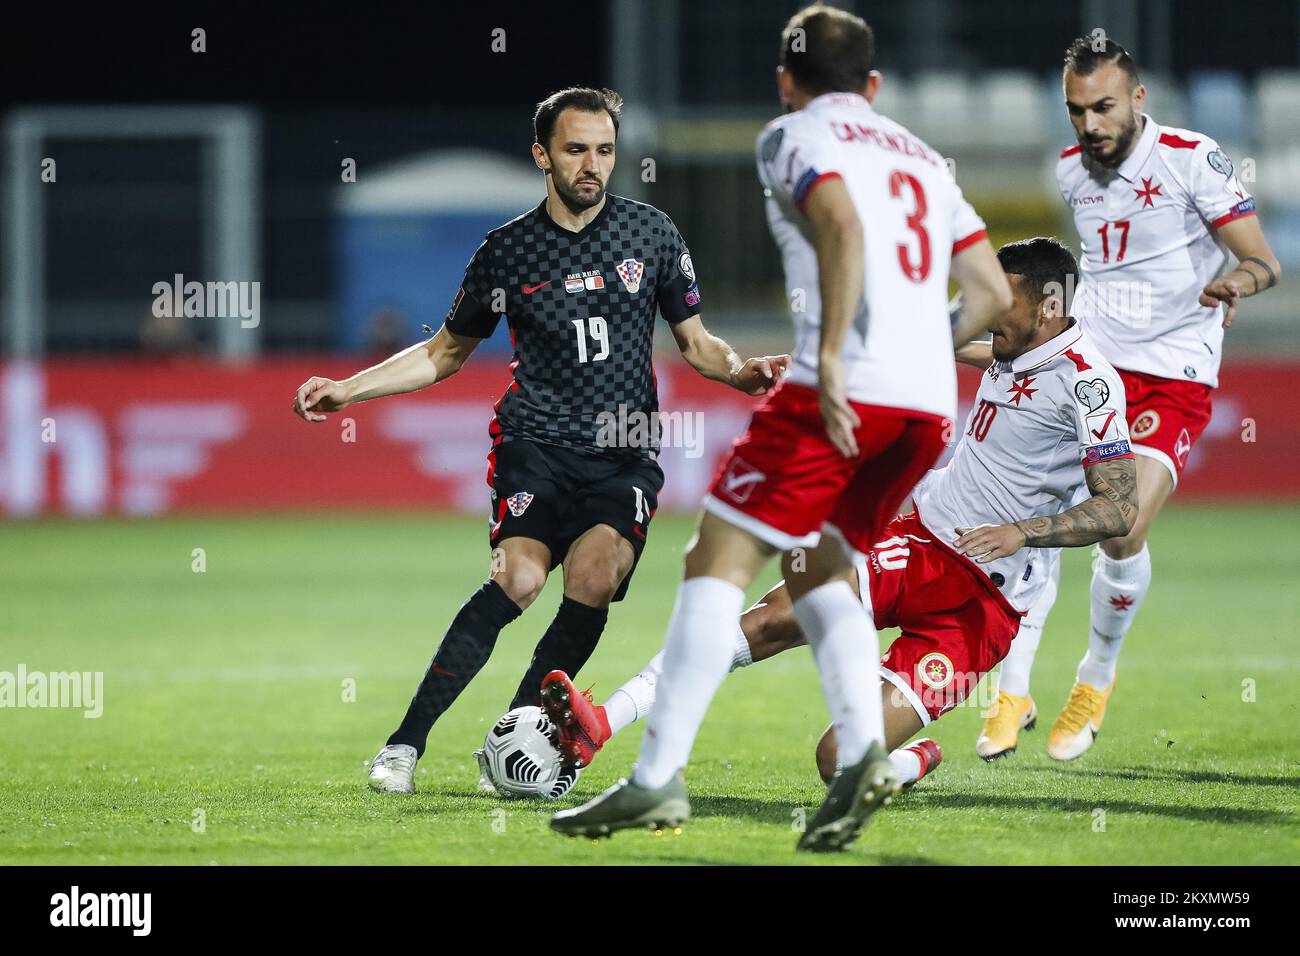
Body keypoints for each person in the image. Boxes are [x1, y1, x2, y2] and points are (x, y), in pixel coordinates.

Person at [550, 4, 1012, 852]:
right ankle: (867, 758)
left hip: (842, 387)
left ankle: (654, 781)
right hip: (921, 407)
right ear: (873, 85)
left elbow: (836, 222)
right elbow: (988, 293)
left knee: (713, 559)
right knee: (821, 563)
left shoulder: (789, 135)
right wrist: (919, 351)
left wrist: (832, 356)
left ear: (785, 80)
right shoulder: (923, 160)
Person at [291, 87, 788, 794]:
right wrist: (349, 389)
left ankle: (514, 737)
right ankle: (404, 744)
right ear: (542, 155)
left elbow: (698, 344)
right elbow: (443, 352)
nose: (592, 165)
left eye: (605, 151)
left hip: (623, 453)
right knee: (518, 579)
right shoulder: (507, 251)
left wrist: (742, 372)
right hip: (536, 444)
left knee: (594, 577)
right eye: (576, 149)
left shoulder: (651, 236)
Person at [542, 239, 1138, 792]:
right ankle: (604, 722)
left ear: (1049, 306)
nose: (988, 311)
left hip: (986, 604)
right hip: (922, 542)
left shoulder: (1090, 386)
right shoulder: (1012, 349)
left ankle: (910, 759)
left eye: (1002, 300)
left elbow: (1118, 509)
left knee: (838, 762)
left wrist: (1021, 532)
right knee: (773, 617)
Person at [976, 37, 1283, 761]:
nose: (1089, 125)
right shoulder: (1068, 171)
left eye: (1104, 107)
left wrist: (1235, 283)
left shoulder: (1192, 158)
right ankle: (1012, 690)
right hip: (1095, 360)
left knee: (1119, 528)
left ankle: (1096, 675)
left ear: (1137, 99)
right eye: (1076, 110)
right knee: (1027, 507)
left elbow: (1263, 259)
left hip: (1174, 371)